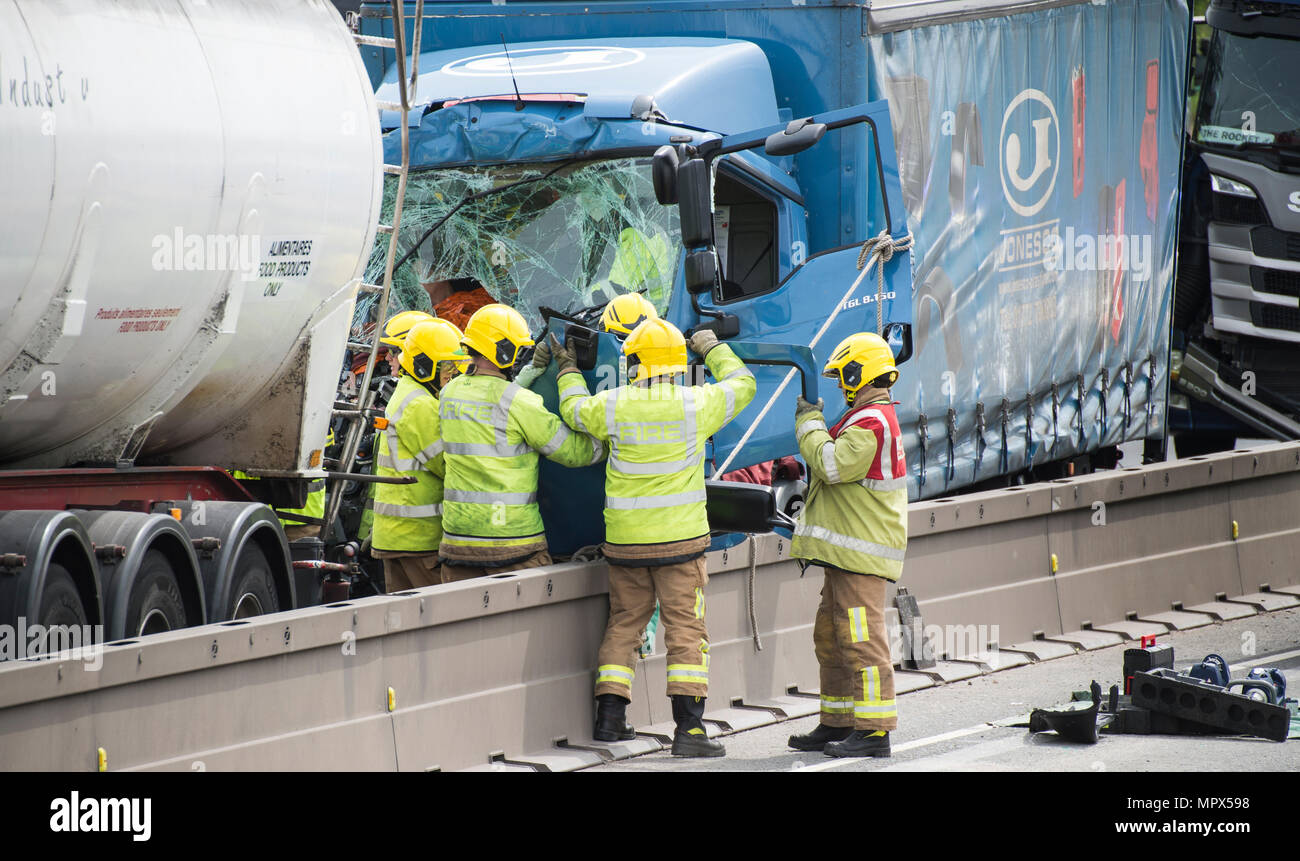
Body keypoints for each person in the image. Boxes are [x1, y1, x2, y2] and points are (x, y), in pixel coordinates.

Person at [555, 319, 756, 757]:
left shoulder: (613, 405)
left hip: (625, 546)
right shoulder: (695, 404)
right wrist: (712, 347)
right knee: (686, 631)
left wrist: (568, 369)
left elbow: (571, 410)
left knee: (624, 625)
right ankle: (690, 732)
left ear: (634, 363)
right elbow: (744, 384)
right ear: (676, 363)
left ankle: (610, 720)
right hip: (681, 546)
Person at [786, 331, 908, 758]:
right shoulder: (867, 418)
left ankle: (874, 732)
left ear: (860, 373)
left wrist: (809, 424)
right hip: (846, 554)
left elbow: (832, 465)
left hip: (861, 555)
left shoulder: (871, 422)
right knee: (832, 637)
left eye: (844, 376)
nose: (841, 385)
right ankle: (836, 722)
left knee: (861, 640)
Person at [437, 303, 603, 582]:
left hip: (458, 541)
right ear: (504, 351)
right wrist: (612, 443)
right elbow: (573, 452)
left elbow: (491, 402)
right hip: (511, 541)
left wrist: (528, 372)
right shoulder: (520, 403)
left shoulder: (450, 393)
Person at [371, 318, 467, 591]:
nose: (453, 374)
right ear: (426, 367)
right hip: (417, 541)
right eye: (447, 367)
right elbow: (448, 466)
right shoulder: (420, 405)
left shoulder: (409, 394)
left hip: (401, 538)